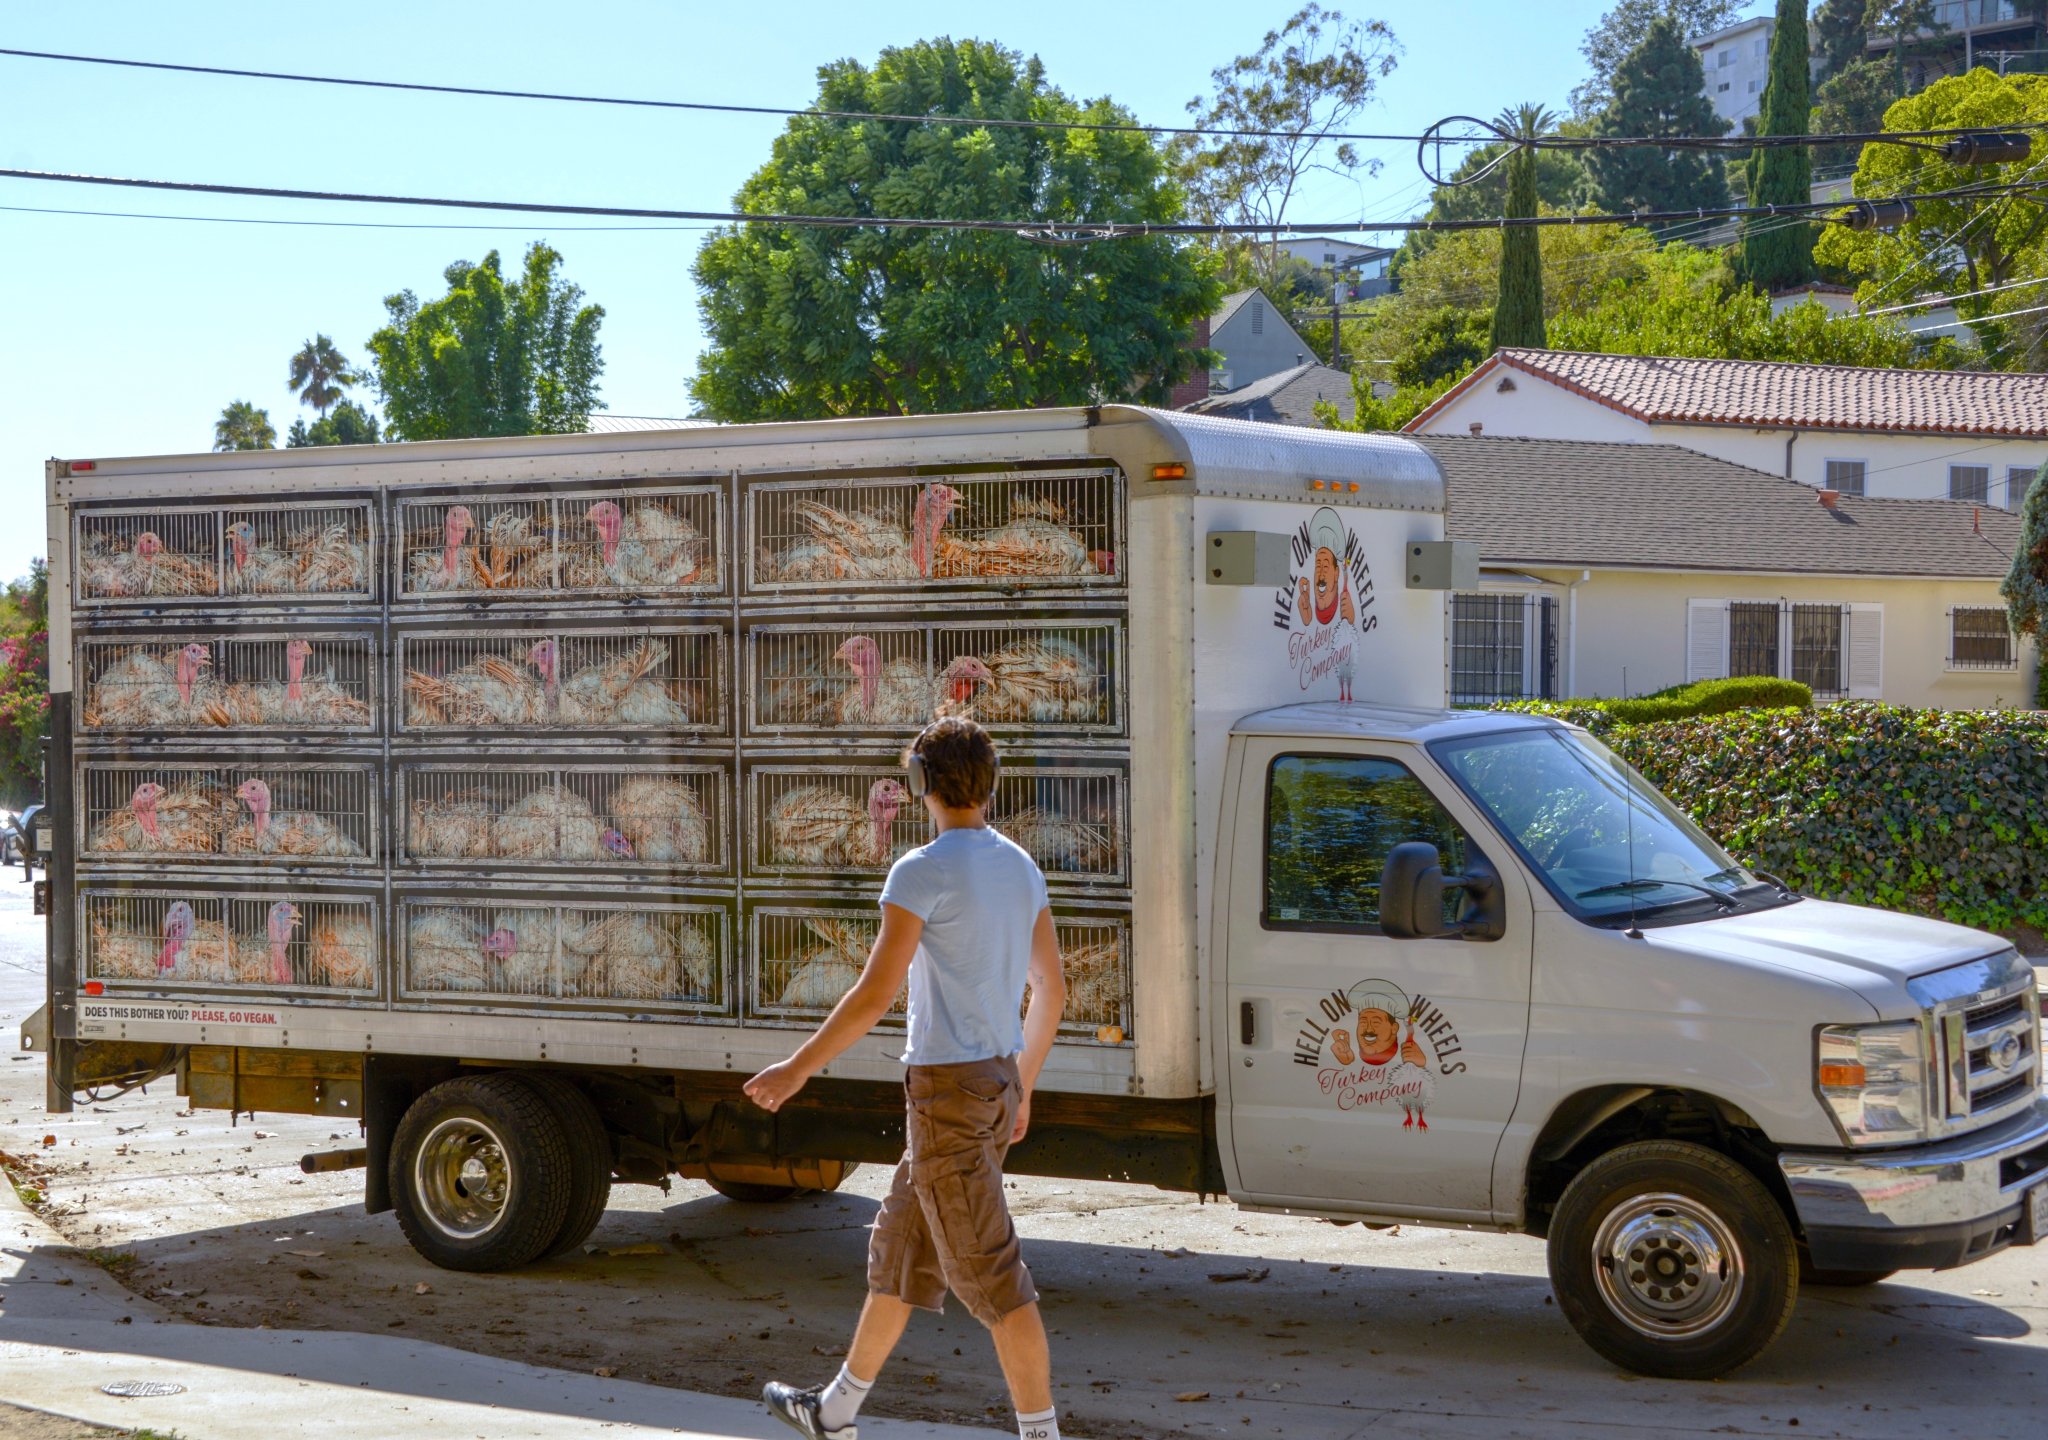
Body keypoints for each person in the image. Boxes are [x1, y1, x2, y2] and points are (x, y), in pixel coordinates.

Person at [746, 716, 1067, 1440]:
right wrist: (1022, 1083)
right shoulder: (1020, 866)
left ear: (921, 782)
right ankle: (834, 1412)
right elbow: (1051, 988)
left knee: (996, 1282)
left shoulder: (920, 870)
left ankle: (1042, 1434)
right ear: (990, 783)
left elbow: (874, 995)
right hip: (991, 1085)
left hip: (947, 1098)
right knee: (900, 1251)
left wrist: (798, 1068)